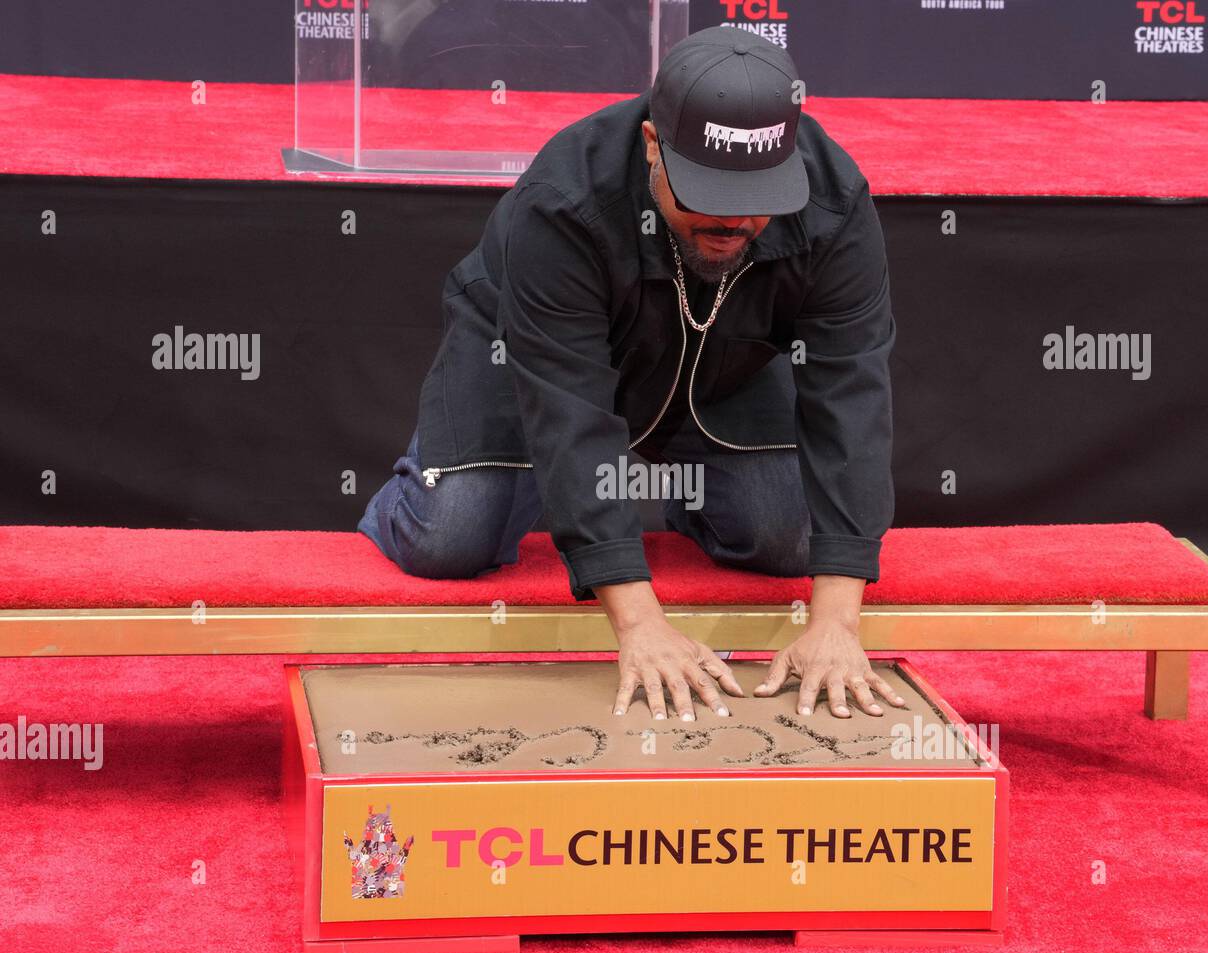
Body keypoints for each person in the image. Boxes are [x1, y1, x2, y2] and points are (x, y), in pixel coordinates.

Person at [360, 26, 903, 724]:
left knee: (787, 538)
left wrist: (838, 624)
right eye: (708, 191)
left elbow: (851, 393)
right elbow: (570, 412)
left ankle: (691, 501)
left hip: (722, 355)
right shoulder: (564, 200)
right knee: (452, 534)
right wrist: (640, 623)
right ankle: (416, 492)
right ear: (654, 145)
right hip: (528, 350)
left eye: (760, 192)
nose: (737, 217)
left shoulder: (834, 202)